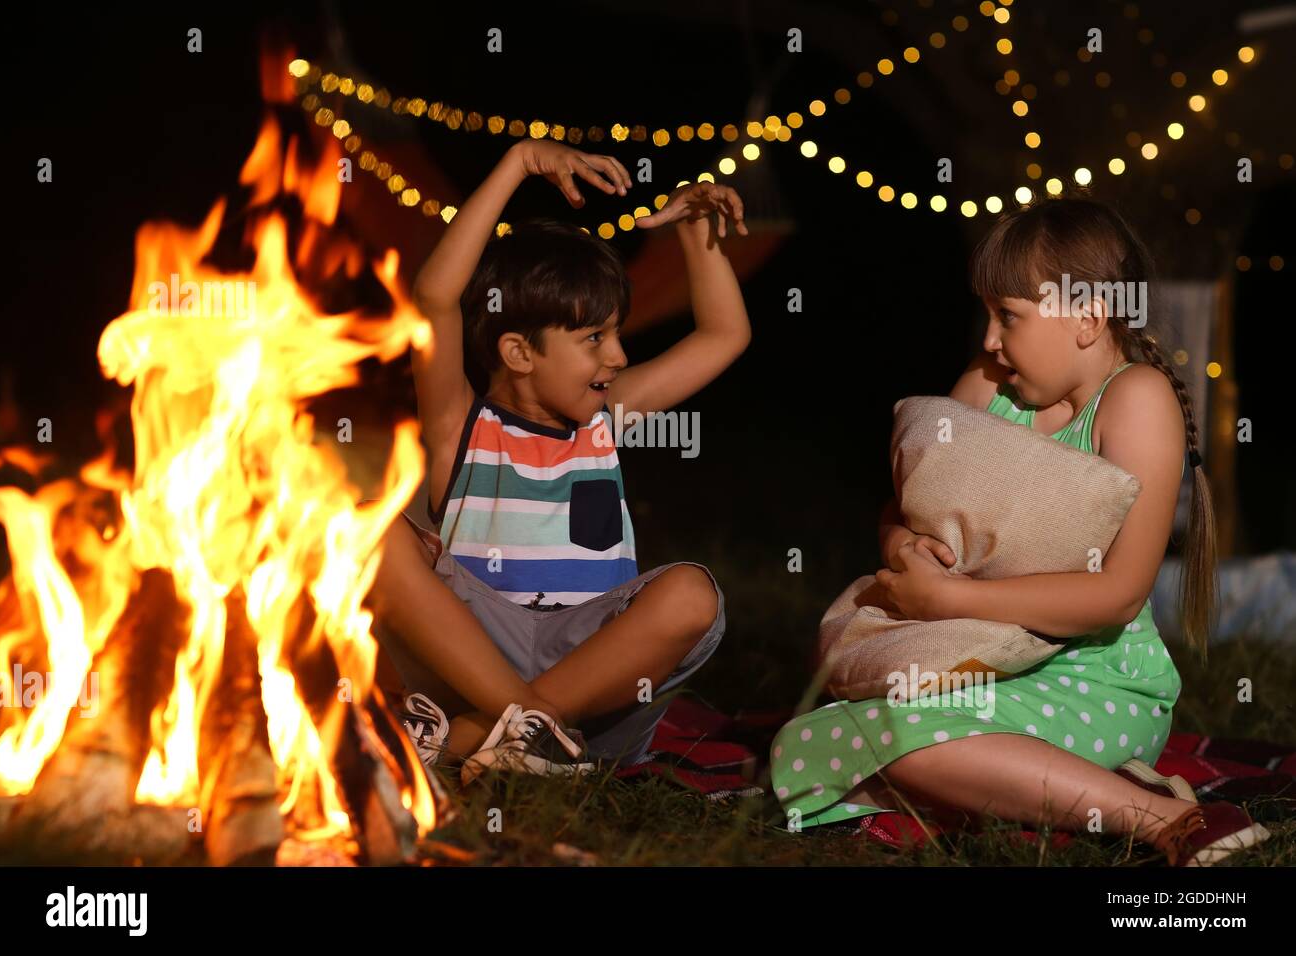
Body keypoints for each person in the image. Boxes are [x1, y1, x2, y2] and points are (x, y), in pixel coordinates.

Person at [770, 198, 1270, 866]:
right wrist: (902, 547)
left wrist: (953, 600)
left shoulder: (1135, 401)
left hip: (1095, 680)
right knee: (819, 735)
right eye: (988, 314)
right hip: (980, 660)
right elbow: (904, 505)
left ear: (1088, 317)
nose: (989, 340)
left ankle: (1165, 820)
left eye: (1008, 315)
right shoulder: (987, 387)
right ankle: (1052, 785)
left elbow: (1118, 595)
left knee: (894, 732)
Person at [367, 138, 751, 783]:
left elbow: (723, 335)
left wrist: (695, 234)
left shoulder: (608, 418)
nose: (619, 357)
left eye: (617, 334)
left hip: (593, 680)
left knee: (691, 592)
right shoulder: (459, 426)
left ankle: (481, 736)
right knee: (367, 531)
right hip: (475, 656)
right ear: (519, 352)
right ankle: (525, 730)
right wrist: (517, 163)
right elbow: (434, 299)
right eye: (594, 338)